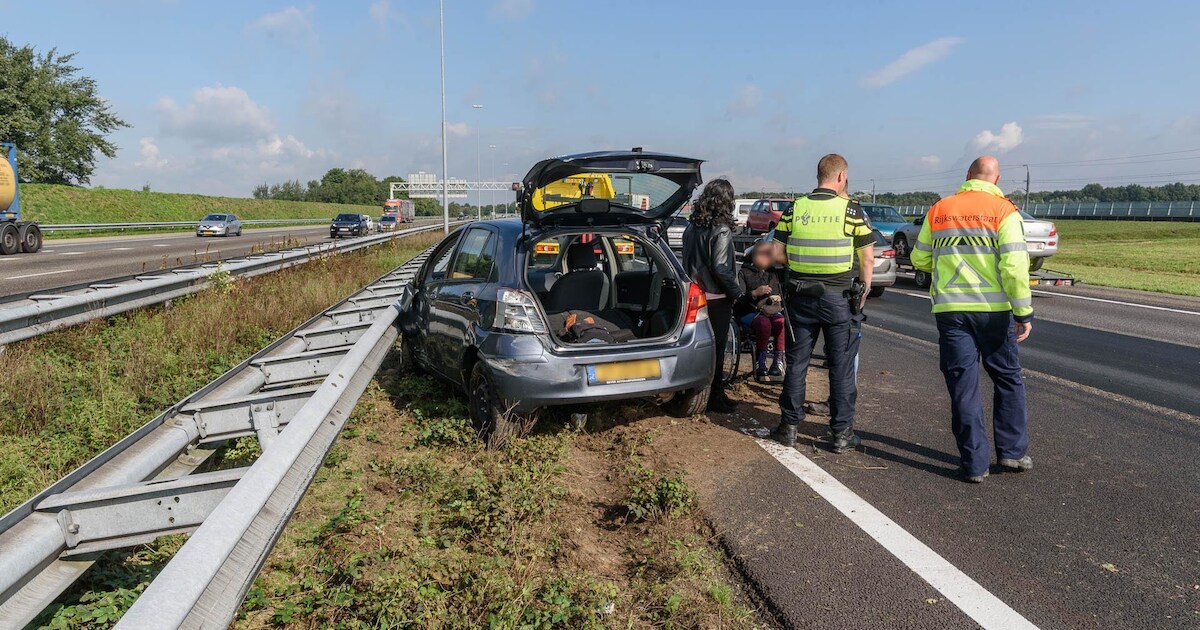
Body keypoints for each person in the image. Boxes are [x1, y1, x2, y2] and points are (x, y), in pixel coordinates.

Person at [910, 156, 1034, 483]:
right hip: (994, 314)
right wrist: (1023, 312)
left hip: (951, 312)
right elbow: (1014, 268)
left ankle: (975, 464)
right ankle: (1011, 453)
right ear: (997, 179)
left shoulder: (940, 209)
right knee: (1007, 378)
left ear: (968, 176)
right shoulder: (1005, 211)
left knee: (963, 386)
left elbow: (919, 257)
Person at [769, 154, 874, 452]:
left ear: (819, 175)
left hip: (801, 297)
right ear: (841, 177)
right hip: (839, 299)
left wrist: (799, 269)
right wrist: (862, 291)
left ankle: (788, 427)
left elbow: (777, 254)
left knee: (797, 363)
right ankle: (841, 435)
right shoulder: (851, 211)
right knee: (840, 367)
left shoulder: (795, 208)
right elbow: (867, 257)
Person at [682, 178, 744, 413]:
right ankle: (715, 396)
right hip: (717, 297)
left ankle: (701, 393)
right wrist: (737, 292)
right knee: (717, 348)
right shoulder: (721, 230)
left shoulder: (692, 227)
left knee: (700, 348)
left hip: (694, 294)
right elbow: (721, 267)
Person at [734, 241, 786, 382]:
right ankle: (760, 361)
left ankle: (777, 361)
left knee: (780, 321)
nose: (765, 258)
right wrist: (755, 293)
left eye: (768, 255)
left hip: (771, 309)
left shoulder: (773, 272)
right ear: (753, 255)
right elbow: (739, 300)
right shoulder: (744, 273)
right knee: (764, 323)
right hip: (748, 311)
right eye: (761, 254)